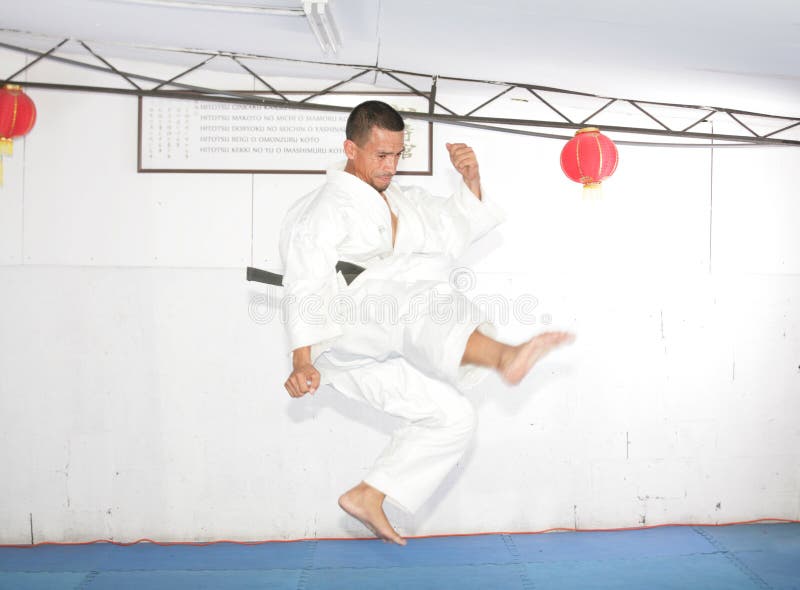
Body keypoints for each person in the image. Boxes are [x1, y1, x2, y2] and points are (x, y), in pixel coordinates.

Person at [279, 100, 572, 546]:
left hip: (374, 349)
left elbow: (450, 225)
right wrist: (301, 361)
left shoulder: (399, 199)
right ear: (350, 148)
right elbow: (304, 283)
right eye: (381, 155)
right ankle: (503, 355)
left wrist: (471, 180)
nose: (391, 166)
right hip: (344, 325)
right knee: (420, 301)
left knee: (454, 417)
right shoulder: (322, 209)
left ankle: (369, 495)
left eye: (398, 155)